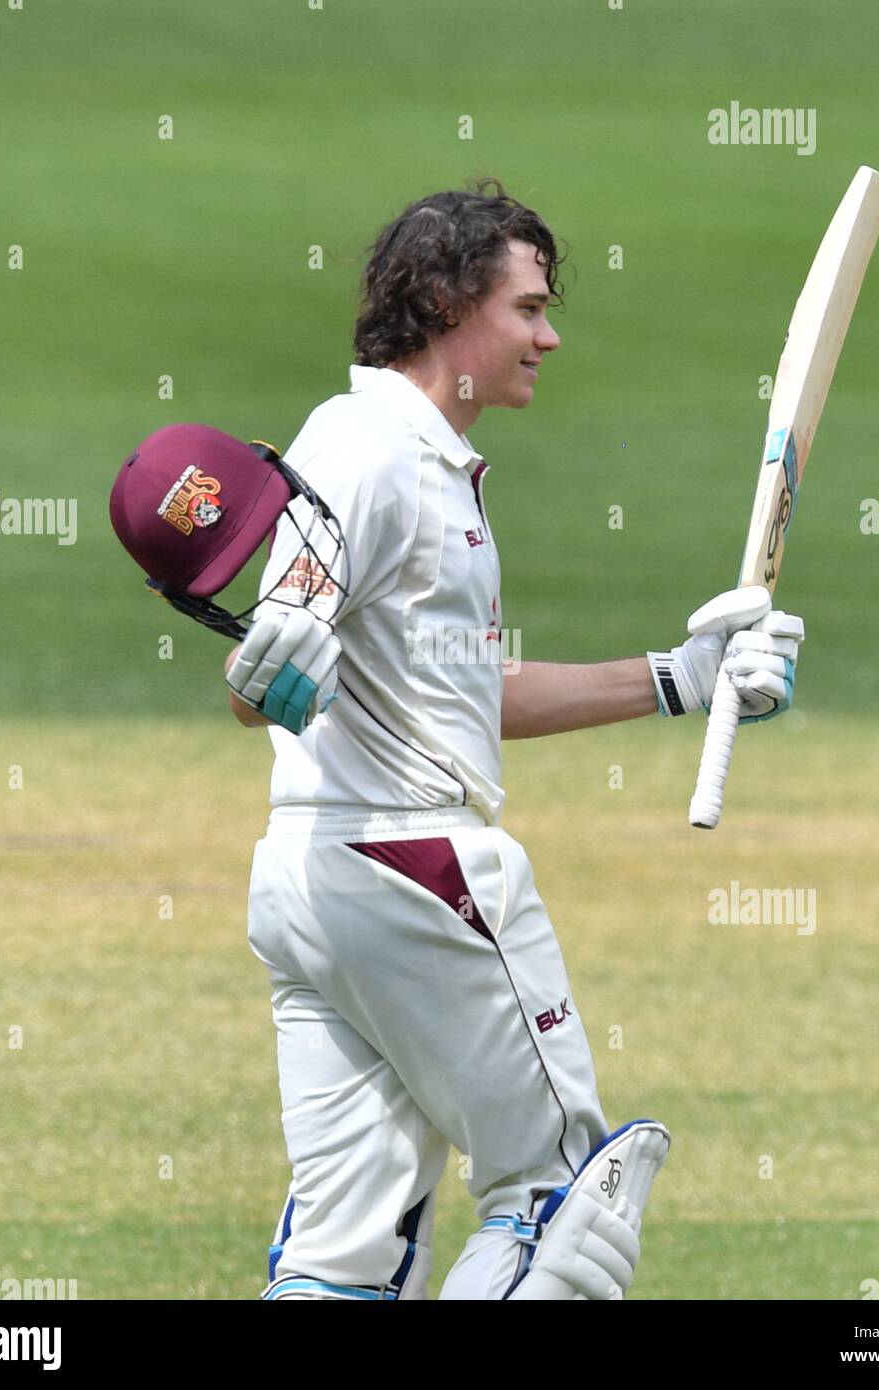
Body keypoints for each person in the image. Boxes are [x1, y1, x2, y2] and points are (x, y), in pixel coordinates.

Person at [224, 179, 805, 1301]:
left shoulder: (411, 455)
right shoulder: (370, 447)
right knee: (558, 1199)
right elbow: (271, 659)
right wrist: (268, 655)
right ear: (446, 302)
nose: (548, 334)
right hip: (415, 871)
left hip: (313, 884)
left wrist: (676, 680)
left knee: (341, 1255)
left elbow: (459, 694)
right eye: (527, 307)